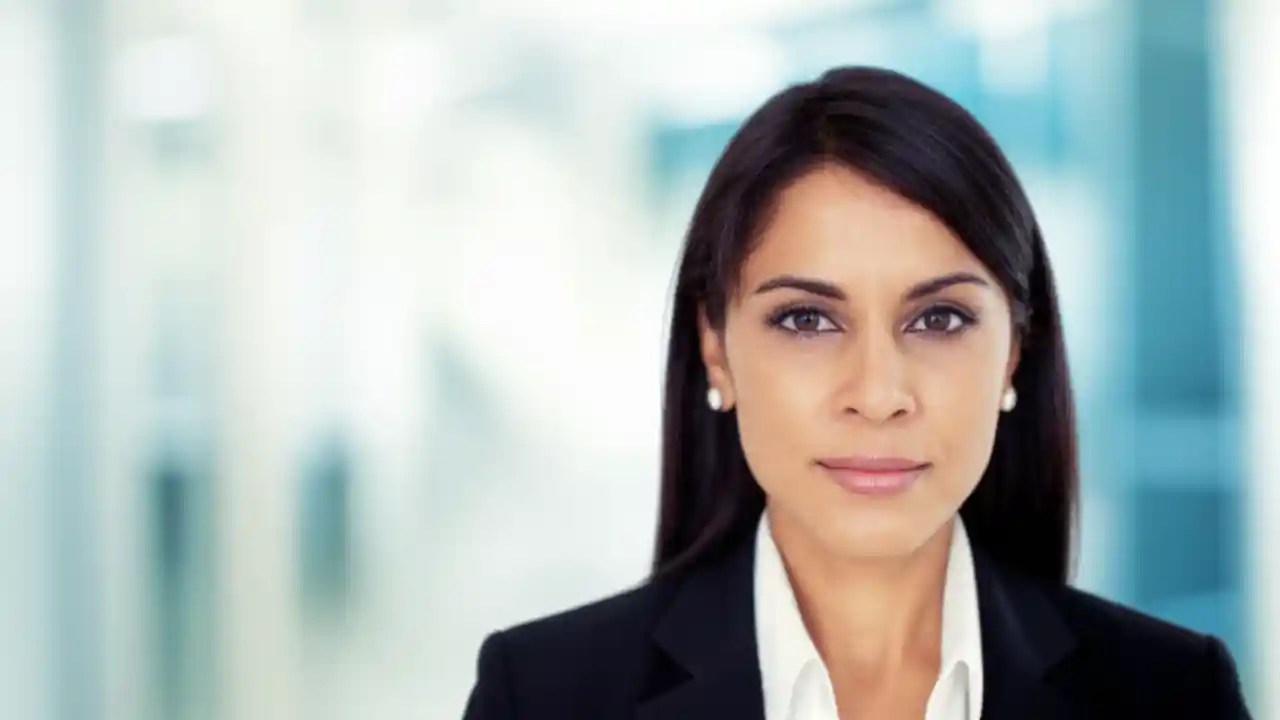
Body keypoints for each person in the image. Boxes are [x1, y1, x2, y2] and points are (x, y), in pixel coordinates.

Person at [460, 66, 1253, 719]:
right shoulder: (543, 695)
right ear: (716, 350)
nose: (877, 395)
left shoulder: (1174, 695)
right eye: (807, 320)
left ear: (1016, 353)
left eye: (939, 318)